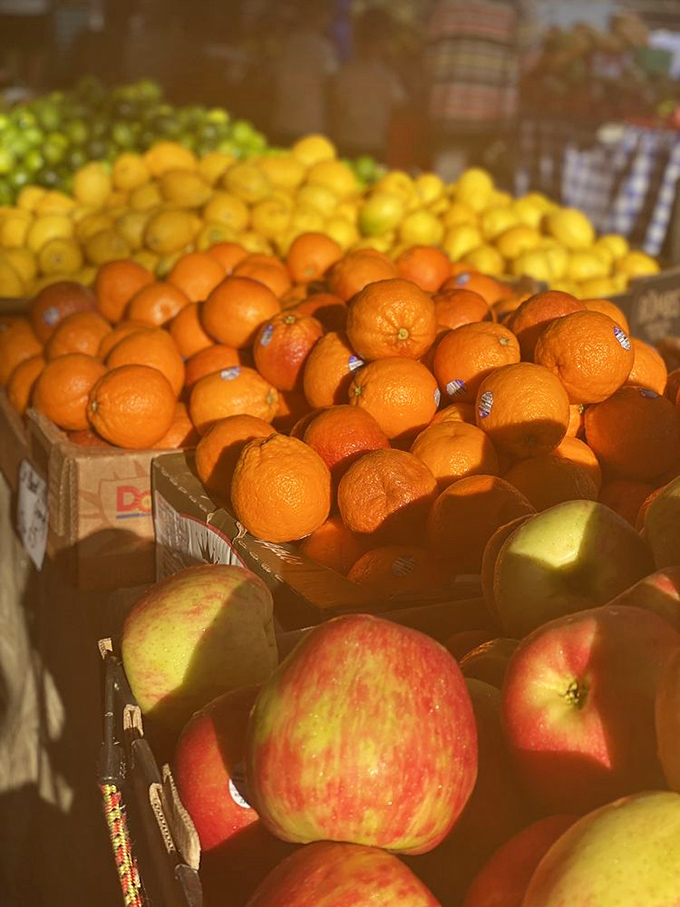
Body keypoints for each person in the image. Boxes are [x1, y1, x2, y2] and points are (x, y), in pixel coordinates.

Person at [425, 0, 524, 182]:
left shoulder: (440, 5)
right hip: (495, 112)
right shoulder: (515, 7)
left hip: (449, 108)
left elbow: (427, 54)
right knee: (494, 194)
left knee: (445, 189)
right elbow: (530, 58)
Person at [331, 8, 406, 160]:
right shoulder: (388, 77)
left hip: (346, 144)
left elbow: (335, 109)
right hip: (375, 146)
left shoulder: (344, 74)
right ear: (385, 42)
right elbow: (400, 104)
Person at [268, 0, 338, 145]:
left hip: (282, 120)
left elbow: (272, 78)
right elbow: (332, 87)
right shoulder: (324, 50)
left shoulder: (285, 44)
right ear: (322, 16)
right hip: (310, 124)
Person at [0, 0, 54, 90]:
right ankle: (13, 92)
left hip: (36, 9)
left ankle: (32, 93)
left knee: (36, 52)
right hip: (7, 9)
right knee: (11, 52)